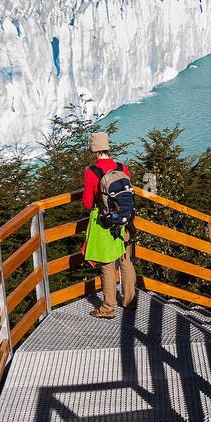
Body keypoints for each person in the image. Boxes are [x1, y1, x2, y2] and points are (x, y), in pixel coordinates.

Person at [82, 132, 137, 318]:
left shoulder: (92, 172)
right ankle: (129, 301)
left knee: (107, 265)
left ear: (95, 150)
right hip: (125, 221)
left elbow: (88, 203)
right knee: (125, 261)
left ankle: (108, 308)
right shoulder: (122, 167)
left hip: (105, 223)